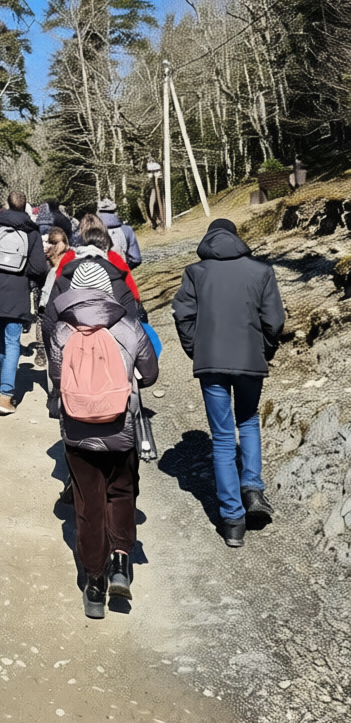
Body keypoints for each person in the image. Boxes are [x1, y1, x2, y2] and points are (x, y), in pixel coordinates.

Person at [43, 263, 159, 619]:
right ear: (108, 289)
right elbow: (151, 373)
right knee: (122, 491)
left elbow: (57, 377)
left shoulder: (62, 331)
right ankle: (121, 561)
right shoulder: (127, 327)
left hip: (78, 431)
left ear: (75, 292)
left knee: (88, 503)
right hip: (121, 427)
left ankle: (94, 584)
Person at [172, 217, 285, 547]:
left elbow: (183, 316)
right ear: (237, 239)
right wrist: (264, 348)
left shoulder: (195, 273)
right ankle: (252, 487)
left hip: (210, 364)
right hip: (250, 360)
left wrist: (197, 348)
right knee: (248, 421)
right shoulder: (261, 271)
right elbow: (274, 320)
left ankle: (233, 522)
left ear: (208, 240)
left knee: (222, 440)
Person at [0, 191, 48, 416]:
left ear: (6, 205)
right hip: (16, 295)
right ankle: (5, 396)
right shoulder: (32, 232)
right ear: (25, 208)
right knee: (12, 341)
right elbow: (39, 267)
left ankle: (4, 373)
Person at [97, 198, 142, 269]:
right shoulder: (127, 229)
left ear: (98, 212)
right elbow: (136, 258)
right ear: (115, 211)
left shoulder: (90, 231)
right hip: (120, 275)